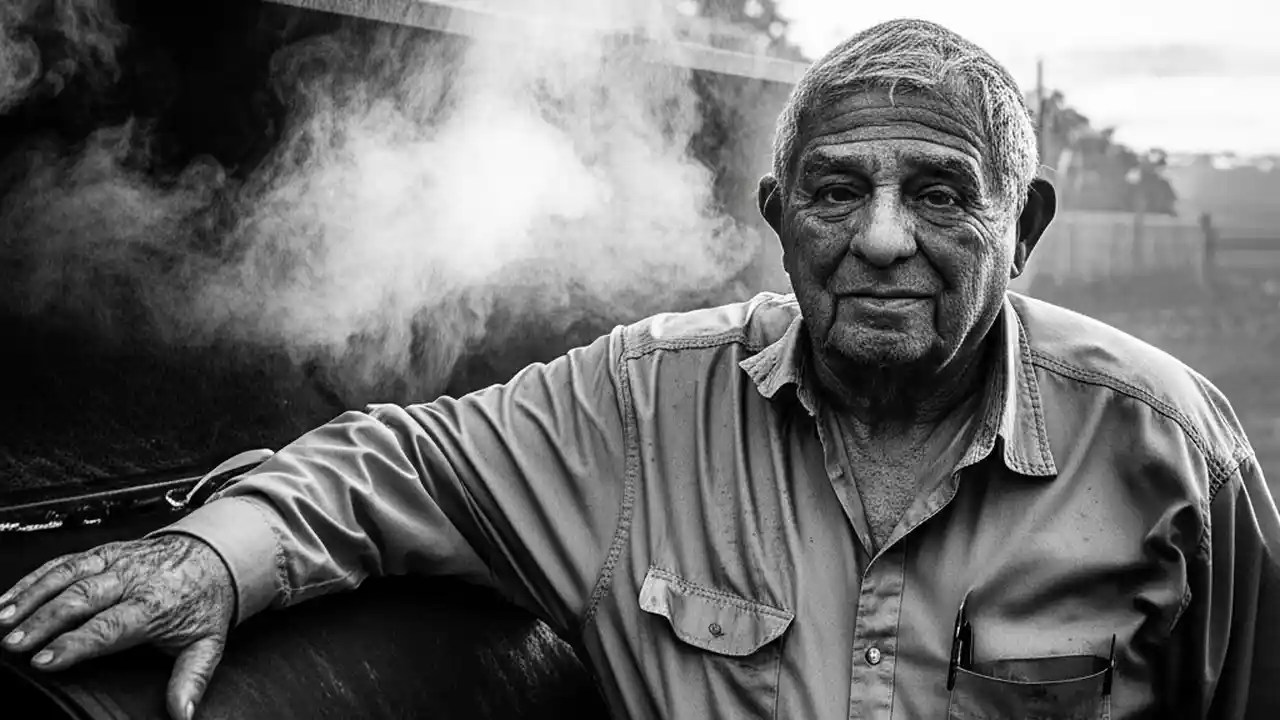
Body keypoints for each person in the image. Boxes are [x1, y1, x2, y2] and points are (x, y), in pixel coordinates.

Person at [2, 18, 1278, 720]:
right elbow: (401, 462)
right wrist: (212, 554)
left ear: (1026, 226)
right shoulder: (636, 400)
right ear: (779, 218)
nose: (882, 236)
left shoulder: (1168, 445)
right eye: (837, 191)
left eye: (939, 192)